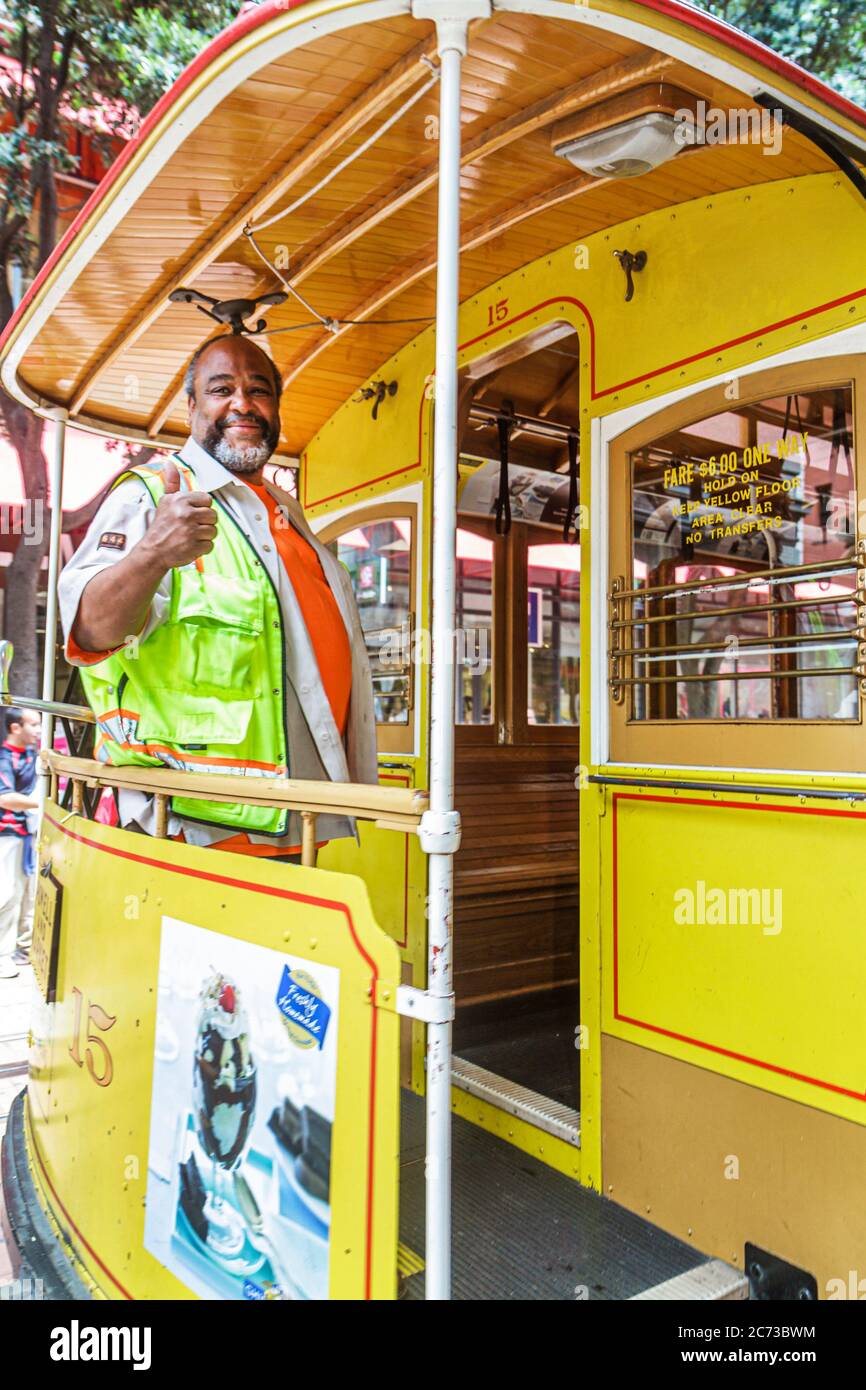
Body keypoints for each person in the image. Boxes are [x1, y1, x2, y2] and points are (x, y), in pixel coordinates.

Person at [58, 334, 377, 861]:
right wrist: (153, 554)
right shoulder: (153, 493)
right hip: (188, 824)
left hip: (295, 819)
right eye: (221, 389)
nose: (243, 404)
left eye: (260, 390)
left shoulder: (286, 513)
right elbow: (88, 631)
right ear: (192, 408)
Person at [0, 706, 41, 978]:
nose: (38, 730)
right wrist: (43, 803)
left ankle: (22, 950)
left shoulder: (32, 754)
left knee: (28, 895)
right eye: (34, 725)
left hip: (27, 834)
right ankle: (2, 956)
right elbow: (4, 798)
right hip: (8, 836)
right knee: (7, 895)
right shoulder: (5, 757)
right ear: (16, 728)